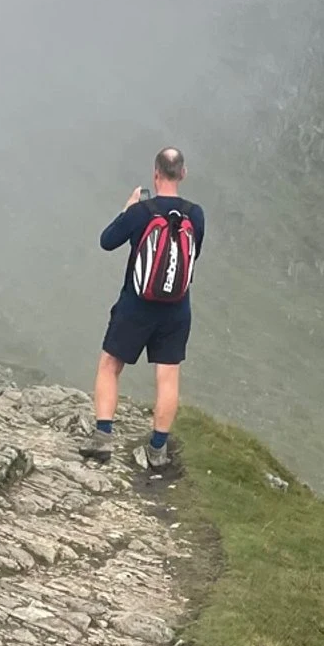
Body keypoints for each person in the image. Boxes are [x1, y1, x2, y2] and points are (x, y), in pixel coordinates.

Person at [80, 147, 205, 478]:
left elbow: (107, 241)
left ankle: (103, 437)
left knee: (110, 366)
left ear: (155, 174)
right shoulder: (196, 214)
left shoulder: (141, 212)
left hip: (136, 305)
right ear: (183, 173)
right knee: (167, 376)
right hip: (177, 309)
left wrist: (128, 211)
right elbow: (194, 255)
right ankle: (157, 449)